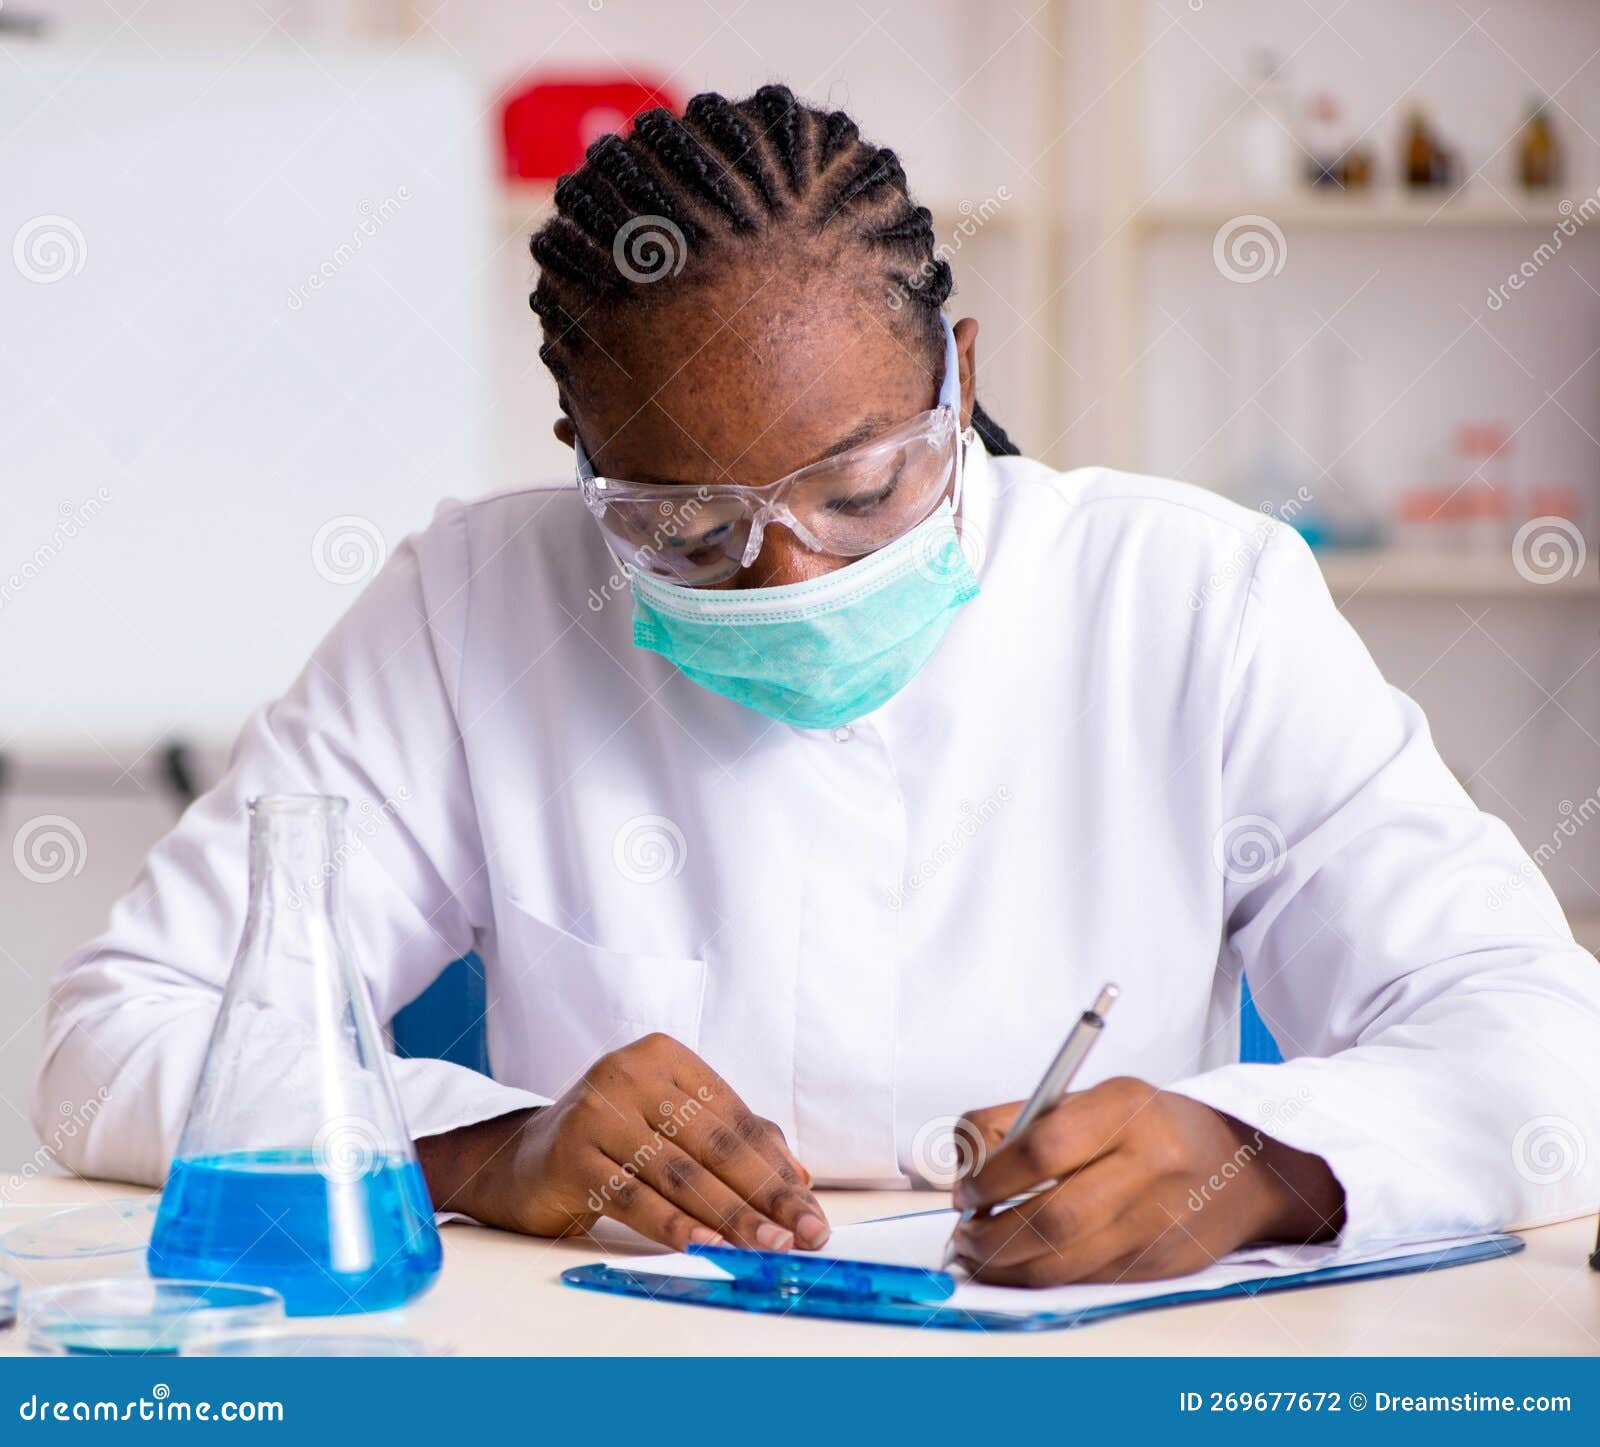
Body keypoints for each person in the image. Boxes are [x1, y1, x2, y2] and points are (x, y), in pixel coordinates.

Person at [35, 85, 1600, 1287]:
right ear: (584, 464)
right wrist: (480, 1147)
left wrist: (1255, 1161)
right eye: (687, 527)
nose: (792, 583)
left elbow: (1542, 1044)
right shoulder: (472, 606)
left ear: (960, 381)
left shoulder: (1194, 597)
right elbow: (118, 1036)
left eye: (859, 496)